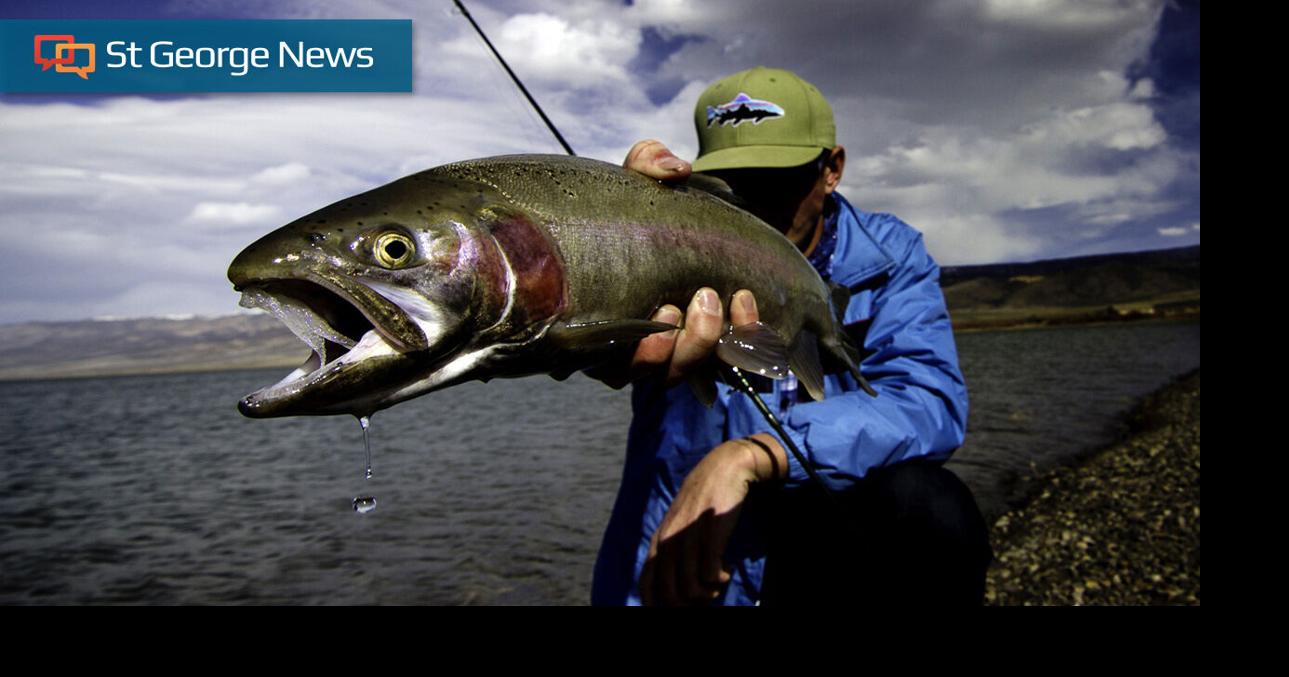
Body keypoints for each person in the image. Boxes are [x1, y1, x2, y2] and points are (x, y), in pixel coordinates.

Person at [589, 67, 992, 606]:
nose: (755, 204)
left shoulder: (893, 257)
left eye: (777, 180)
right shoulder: (676, 242)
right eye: (735, 185)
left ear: (832, 169)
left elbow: (927, 400)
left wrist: (756, 453)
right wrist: (608, 241)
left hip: (828, 545)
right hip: (685, 560)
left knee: (936, 508)